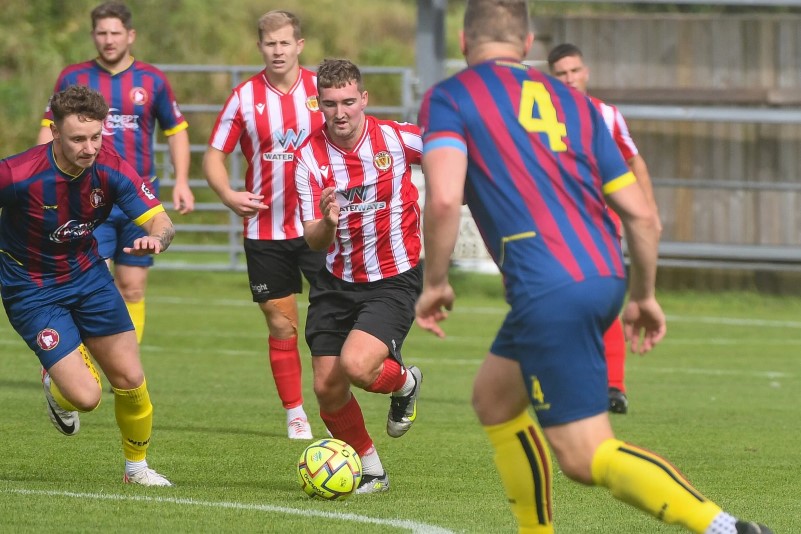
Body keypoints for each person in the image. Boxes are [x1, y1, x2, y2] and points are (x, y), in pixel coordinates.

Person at [415, 1, 771, 533]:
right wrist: (644, 296)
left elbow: (444, 198)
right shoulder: (577, 105)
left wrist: (436, 282)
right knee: (493, 399)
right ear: (528, 43)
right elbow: (642, 215)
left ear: (464, 42)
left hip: (547, 285)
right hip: (603, 272)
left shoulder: (451, 96)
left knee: (585, 455)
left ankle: (724, 527)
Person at [1, 85, 174, 486]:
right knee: (86, 398)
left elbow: (161, 221)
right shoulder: (17, 173)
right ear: (54, 132)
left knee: (130, 379)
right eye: (78, 138)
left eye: (96, 136)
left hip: (88, 277)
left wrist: (157, 238)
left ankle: (136, 469)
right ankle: (56, 379)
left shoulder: (111, 167)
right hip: (31, 289)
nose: (90, 148)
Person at [293, 58, 424, 494]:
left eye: (348, 102)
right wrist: (328, 221)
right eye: (330, 104)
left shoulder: (397, 139)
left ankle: (405, 382)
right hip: (335, 280)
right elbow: (313, 240)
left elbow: (451, 154)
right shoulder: (308, 158)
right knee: (327, 388)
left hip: (394, 277)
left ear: (364, 99)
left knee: (356, 366)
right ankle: (372, 471)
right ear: (319, 104)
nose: (340, 112)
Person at [36, 1, 194, 352]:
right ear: (93, 35)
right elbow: (49, 129)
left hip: (138, 198)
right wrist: (43, 180)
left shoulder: (152, 80)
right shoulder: (73, 78)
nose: (108, 40)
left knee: (133, 287)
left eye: (115, 33)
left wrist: (181, 180)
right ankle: (77, 360)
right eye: (102, 33)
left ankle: (124, 363)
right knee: (88, 284)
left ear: (130, 35)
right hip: (88, 199)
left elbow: (176, 131)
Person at [203, 10, 324, 440]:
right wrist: (228, 194)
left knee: (336, 316)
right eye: (270, 43)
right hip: (266, 232)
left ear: (299, 45)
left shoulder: (321, 90)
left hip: (319, 227)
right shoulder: (244, 97)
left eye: (285, 42)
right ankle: (295, 413)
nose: (278, 50)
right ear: (260, 47)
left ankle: (342, 392)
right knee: (280, 323)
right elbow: (213, 156)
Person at [547, 42, 660, 415]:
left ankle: (614, 387)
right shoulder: (537, 118)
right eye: (561, 74)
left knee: (603, 300)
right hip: (555, 224)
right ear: (552, 79)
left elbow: (634, 160)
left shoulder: (607, 115)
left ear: (586, 72)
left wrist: (647, 209)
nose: (569, 79)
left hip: (601, 222)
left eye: (574, 71)